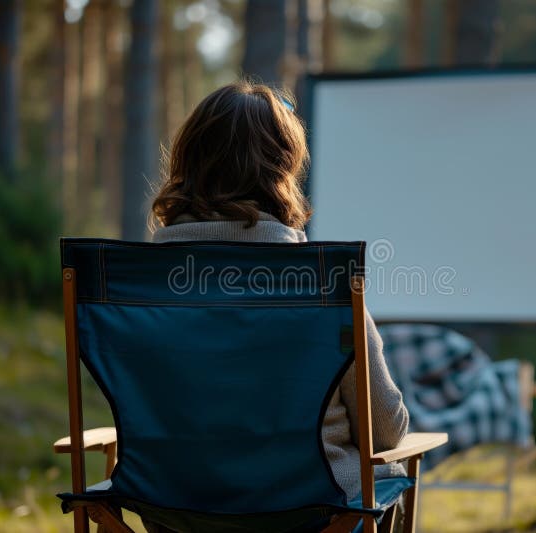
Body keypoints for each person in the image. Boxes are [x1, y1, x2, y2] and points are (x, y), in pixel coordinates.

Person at [147, 80, 409, 531]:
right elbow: (385, 430)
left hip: (175, 510)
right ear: (282, 169)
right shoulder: (323, 282)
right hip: (314, 513)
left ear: (186, 161)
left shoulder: (140, 285)